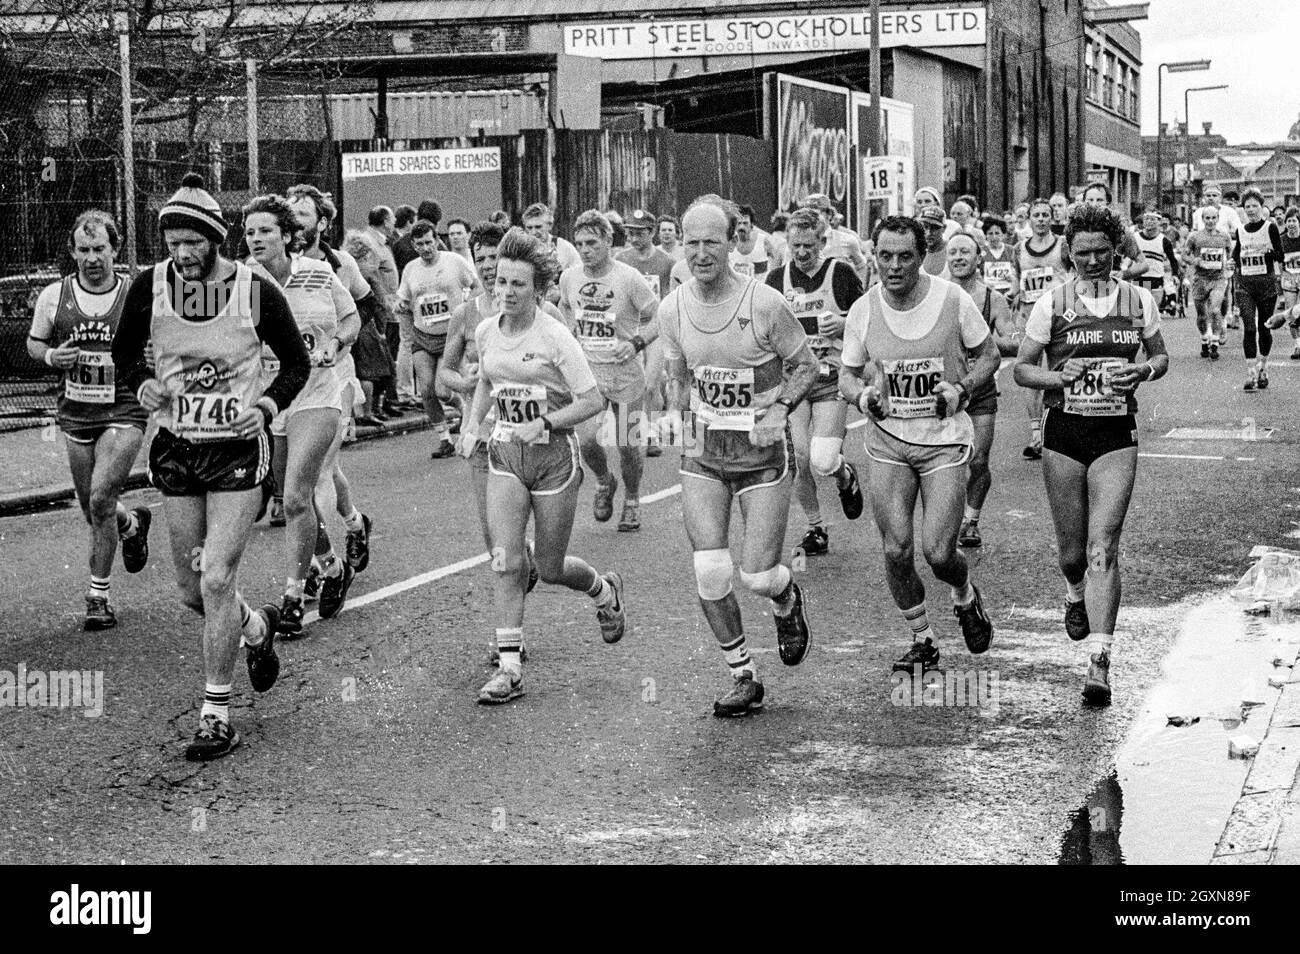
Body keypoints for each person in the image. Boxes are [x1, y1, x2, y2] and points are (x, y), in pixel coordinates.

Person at [112, 172, 311, 760]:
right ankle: (256, 628)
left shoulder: (254, 289)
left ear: (214, 239)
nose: (181, 254)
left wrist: (269, 404)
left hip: (236, 452)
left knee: (217, 576)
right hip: (176, 450)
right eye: (172, 243)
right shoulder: (150, 285)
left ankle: (216, 713)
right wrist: (143, 382)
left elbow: (295, 363)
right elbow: (125, 354)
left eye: (191, 242)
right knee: (191, 590)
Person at [659, 196, 816, 717]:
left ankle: (785, 597)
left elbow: (808, 366)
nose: (701, 253)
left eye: (712, 241)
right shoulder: (673, 307)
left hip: (763, 451)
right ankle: (743, 674)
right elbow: (679, 375)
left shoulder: (764, 304)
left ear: (732, 243)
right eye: (692, 242)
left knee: (757, 575)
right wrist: (675, 411)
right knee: (709, 569)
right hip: (706, 450)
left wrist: (783, 409)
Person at [459, 228, 628, 705]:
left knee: (549, 569)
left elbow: (593, 400)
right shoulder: (486, 330)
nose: (506, 292)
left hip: (554, 460)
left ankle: (602, 591)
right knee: (507, 560)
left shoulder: (554, 337)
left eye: (517, 285)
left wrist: (547, 422)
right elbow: (487, 382)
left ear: (538, 289)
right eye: (501, 282)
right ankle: (509, 669)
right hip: (507, 454)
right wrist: (473, 424)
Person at [1013, 204, 1169, 705]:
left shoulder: (1137, 299)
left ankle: (1099, 661)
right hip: (1065, 434)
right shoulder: (1052, 303)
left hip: (1115, 435)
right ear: (1069, 253)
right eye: (1083, 253)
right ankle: (1074, 593)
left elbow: (1160, 355)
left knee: (1104, 545)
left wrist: (1142, 372)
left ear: (1116, 249)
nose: (1094, 261)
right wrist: (1057, 377)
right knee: (1072, 554)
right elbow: (1021, 369)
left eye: (1103, 251)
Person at [840, 215, 997, 676]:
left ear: (923, 254)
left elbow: (989, 354)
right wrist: (863, 396)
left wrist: (962, 390)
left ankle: (965, 595)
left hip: (943, 441)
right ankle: (922, 638)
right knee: (895, 550)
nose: (893, 266)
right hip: (889, 441)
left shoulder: (953, 299)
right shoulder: (864, 309)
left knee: (939, 552)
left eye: (904, 256)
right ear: (873, 255)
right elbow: (848, 375)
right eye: (884, 256)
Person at [26, 211, 151, 630]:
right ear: (72, 251)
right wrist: (49, 357)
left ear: (115, 249)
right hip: (77, 414)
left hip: (125, 409)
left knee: (100, 499)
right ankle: (132, 525)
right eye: (84, 249)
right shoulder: (54, 296)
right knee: (92, 508)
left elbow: (165, 337)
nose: (93, 258)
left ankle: (98, 597)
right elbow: (34, 341)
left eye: (100, 249)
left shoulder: (136, 295)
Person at [245, 193, 361, 634]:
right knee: (294, 497)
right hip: (273, 401)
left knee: (296, 495)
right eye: (250, 232)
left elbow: (350, 319)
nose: (256, 239)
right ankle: (332, 567)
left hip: (318, 395)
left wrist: (335, 344)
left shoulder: (317, 273)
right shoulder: (243, 283)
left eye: (266, 231)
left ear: (287, 236)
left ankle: (292, 596)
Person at [438, 221, 549, 661]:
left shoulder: (542, 312)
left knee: (520, 553)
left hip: (534, 441)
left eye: (493, 261)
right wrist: (463, 383)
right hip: (486, 440)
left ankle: (511, 643)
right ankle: (512, 633)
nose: (486, 268)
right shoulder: (467, 315)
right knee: (497, 546)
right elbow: (443, 374)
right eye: (480, 261)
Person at [286, 184, 376, 579]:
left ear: (322, 223)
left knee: (320, 470)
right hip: (292, 379)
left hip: (334, 374)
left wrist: (339, 345)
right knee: (325, 469)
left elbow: (365, 306)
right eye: (289, 215)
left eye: (302, 216)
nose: (293, 223)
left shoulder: (339, 264)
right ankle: (356, 523)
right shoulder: (273, 263)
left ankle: (318, 570)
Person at [765, 207, 865, 556]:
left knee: (823, 459)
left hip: (830, 376)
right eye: (796, 246)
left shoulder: (841, 273)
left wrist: (842, 323)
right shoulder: (776, 280)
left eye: (809, 245)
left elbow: (868, 316)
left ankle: (845, 476)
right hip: (793, 379)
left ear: (824, 241)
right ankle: (815, 527)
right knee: (799, 458)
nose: (802, 252)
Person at [558, 210, 660, 531]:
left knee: (628, 445)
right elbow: (564, 305)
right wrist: (569, 329)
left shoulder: (628, 278)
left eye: (591, 242)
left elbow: (660, 316)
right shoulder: (570, 277)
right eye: (579, 243)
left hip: (627, 376)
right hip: (589, 376)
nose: (585, 249)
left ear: (608, 241)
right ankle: (604, 481)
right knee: (587, 441)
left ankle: (632, 498)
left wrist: (636, 343)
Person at [941, 232, 1020, 548]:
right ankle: (946, 520)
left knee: (978, 460)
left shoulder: (992, 299)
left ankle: (970, 521)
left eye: (965, 252)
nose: (958, 257)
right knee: (946, 462)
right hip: (944, 392)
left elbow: (1013, 341)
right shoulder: (937, 295)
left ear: (978, 259)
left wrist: (980, 339)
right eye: (953, 252)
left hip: (980, 390)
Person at [394, 220, 480, 456]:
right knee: (426, 390)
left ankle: (461, 406)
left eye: (429, 242)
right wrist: (401, 304)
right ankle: (444, 439)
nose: (426, 248)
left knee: (443, 390)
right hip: (423, 335)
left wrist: (466, 306)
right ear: (413, 245)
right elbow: (404, 297)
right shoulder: (411, 268)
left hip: (450, 335)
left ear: (436, 241)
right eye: (420, 244)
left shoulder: (454, 261)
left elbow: (477, 286)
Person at [616, 209, 676, 459]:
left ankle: (650, 433)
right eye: (630, 232)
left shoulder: (666, 262)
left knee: (651, 383)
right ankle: (632, 432)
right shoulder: (621, 259)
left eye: (639, 232)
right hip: (629, 330)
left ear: (652, 233)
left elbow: (670, 298)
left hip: (655, 329)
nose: (633, 237)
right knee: (632, 385)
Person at [1016, 198, 1072, 460]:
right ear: (1029, 218)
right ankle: (1035, 433)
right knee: (1032, 374)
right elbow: (1019, 282)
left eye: (1045, 215)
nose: (1040, 219)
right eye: (1036, 215)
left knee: (1058, 371)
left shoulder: (1062, 246)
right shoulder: (1020, 249)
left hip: (1058, 316)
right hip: (1031, 317)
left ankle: (1061, 426)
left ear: (1052, 218)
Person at [1233, 188, 1284, 391]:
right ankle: (1251, 374)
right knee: (1249, 328)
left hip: (1266, 286)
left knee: (1264, 328)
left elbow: (1280, 255)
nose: (1251, 210)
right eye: (1248, 206)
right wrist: (1232, 262)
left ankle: (1263, 367)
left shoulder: (1270, 228)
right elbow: (1237, 254)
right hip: (1245, 286)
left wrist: (1268, 252)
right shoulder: (1240, 230)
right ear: (1243, 209)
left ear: (1262, 208)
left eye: (1255, 206)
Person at [1185, 207, 1232, 360]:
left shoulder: (1224, 237)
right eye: (1207, 218)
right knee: (1201, 315)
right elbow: (1184, 256)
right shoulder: (1194, 237)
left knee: (1215, 310)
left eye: (1213, 218)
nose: (1210, 221)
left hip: (1218, 279)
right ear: (1203, 219)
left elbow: (1231, 256)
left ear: (1217, 219)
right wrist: (1194, 260)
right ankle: (1205, 338)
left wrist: (1229, 267)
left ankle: (1215, 342)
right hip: (1200, 279)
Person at [1080, 184, 1146, 281]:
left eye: (1099, 200)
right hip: (1084, 289)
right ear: (1083, 203)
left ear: (1108, 203)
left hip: (1110, 289)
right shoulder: (1076, 230)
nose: (1094, 204)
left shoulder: (1120, 230)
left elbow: (1143, 264)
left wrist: (1124, 274)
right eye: (1090, 200)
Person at [1131, 210, 1180, 313]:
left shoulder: (1164, 241)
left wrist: (1175, 275)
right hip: (1138, 277)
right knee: (1139, 312)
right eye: (1146, 219)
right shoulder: (1134, 237)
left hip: (1156, 278)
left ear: (1159, 222)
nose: (1149, 222)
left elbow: (1173, 260)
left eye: (1153, 219)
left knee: (1152, 311)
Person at [1271, 208, 1300, 359]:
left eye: (1294, 220)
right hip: (1288, 277)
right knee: (1291, 312)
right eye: (1289, 221)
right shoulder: (1282, 240)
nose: (1291, 224)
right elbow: (1278, 261)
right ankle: (1297, 345)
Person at [523, 202, 581, 272]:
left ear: (549, 225)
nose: (533, 232)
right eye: (529, 228)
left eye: (538, 227)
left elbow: (579, 274)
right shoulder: (522, 249)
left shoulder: (564, 248)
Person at [980, 215, 1018, 297]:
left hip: (1009, 293)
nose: (994, 237)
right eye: (990, 233)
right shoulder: (981, 252)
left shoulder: (1010, 250)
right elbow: (978, 275)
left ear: (1003, 234)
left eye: (997, 233)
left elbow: (1016, 272)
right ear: (985, 235)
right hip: (988, 294)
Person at [732, 205, 774, 276]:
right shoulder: (730, 242)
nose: (741, 227)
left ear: (751, 225)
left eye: (745, 223)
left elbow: (775, 262)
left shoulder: (763, 241)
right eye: (739, 223)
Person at [918, 206, 949, 275]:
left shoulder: (952, 250)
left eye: (934, 228)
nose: (929, 233)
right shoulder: (917, 251)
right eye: (925, 227)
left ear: (944, 228)